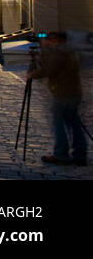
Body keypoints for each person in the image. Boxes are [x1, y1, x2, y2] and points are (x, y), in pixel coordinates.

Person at [28, 31, 87, 166]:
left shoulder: (57, 53)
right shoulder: (71, 51)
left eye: (49, 39)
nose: (46, 41)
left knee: (58, 124)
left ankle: (61, 154)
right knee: (74, 124)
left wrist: (32, 74)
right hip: (74, 92)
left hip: (62, 93)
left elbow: (49, 71)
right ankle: (80, 154)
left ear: (56, 40)